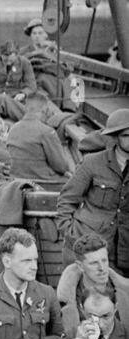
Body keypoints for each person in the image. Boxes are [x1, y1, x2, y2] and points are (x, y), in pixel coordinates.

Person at [56, 108, 129, 272]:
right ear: (116, 138)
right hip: (89, 247)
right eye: (126, 135)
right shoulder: (93, 163)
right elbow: (67, 200)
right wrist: (70, 233)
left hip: (123, 253)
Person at [55, 233, 129, 323]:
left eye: (104, 260)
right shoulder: (65, 300)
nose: (102, 268)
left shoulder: (124, 292)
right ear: (80, 266)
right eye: (94, 263)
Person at [4, 91, 71, 180]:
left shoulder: (13, 129)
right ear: (45, 110)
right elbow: (62, 167)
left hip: (16, 180)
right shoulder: (47, 131)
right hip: (42, 182)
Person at [0, 41, 36, 121]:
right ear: (0, 54)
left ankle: (29, 121)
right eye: (5, 57)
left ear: (17, 55)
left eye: (11, 59)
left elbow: (31, 86)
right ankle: (29, 121)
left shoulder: (25, 63)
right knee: (3, 99)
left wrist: (23, 94)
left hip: (16, 100)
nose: (8, 61)